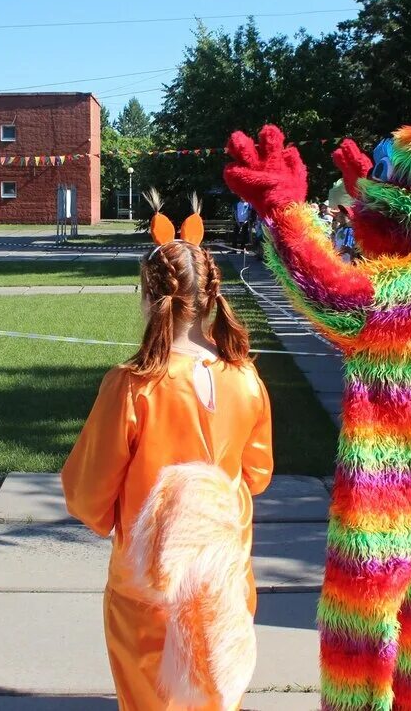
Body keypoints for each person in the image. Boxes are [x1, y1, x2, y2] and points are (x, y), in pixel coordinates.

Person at [62, 239, 273, 709]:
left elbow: (87, 489)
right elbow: (257, 473)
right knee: (217, 687)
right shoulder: (245, 377)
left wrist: (107, 515)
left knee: (148, 695)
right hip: (224, 571)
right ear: (211, 296)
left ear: (148, 295)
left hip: (149, 577)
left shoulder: (134, 384)